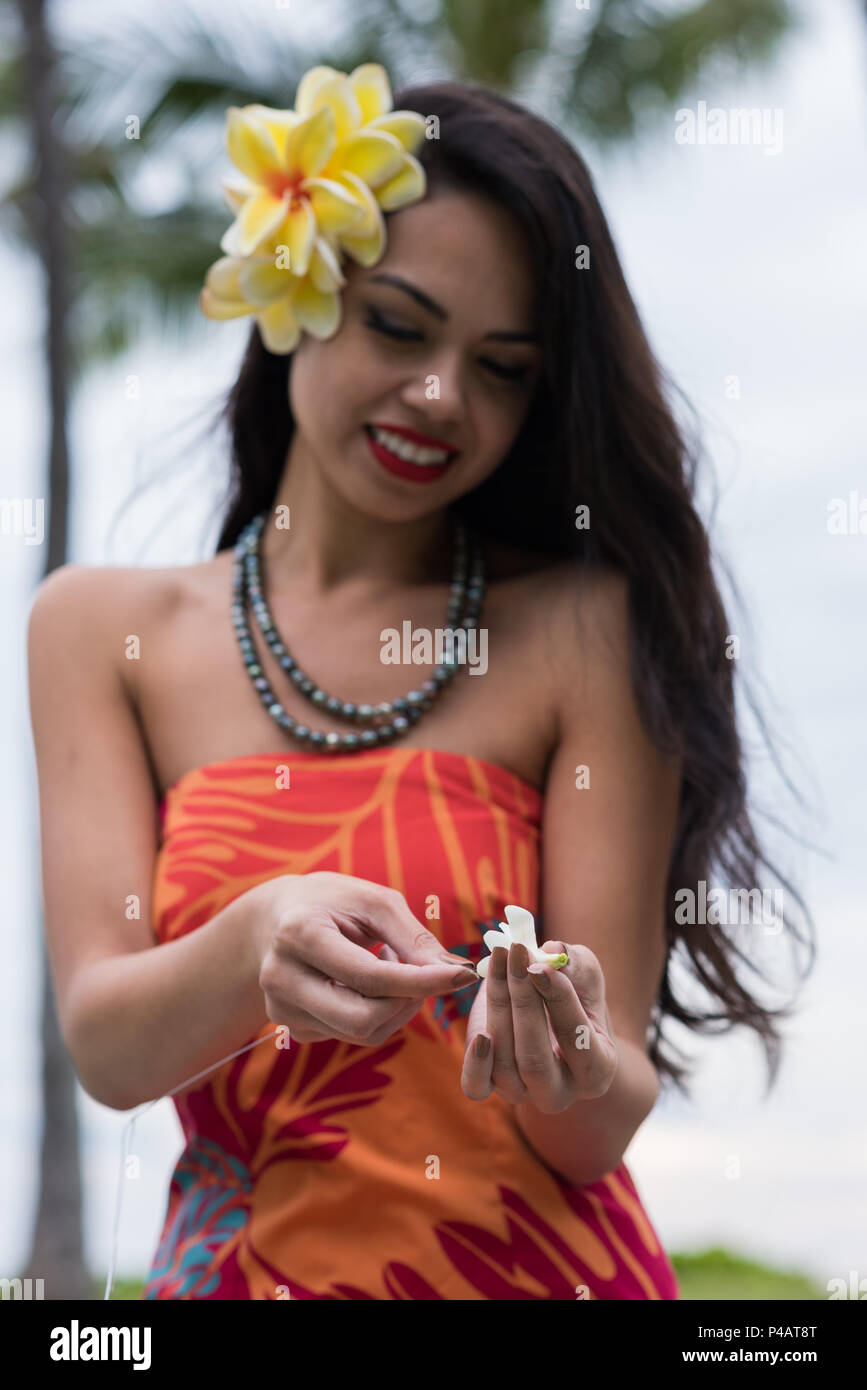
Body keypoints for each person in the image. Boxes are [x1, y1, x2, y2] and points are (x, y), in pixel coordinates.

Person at [27, 64, 811, 1301]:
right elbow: (111, 1045)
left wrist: (567, 1052)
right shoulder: (98, 629)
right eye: (399, 324)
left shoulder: (586, 627)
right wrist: (253, 942)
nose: (442, 395)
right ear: (296, 286)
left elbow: (598, 1115)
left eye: (502, 367)